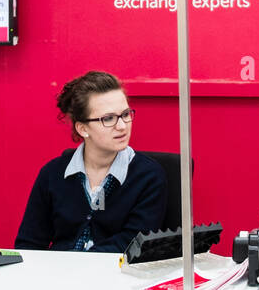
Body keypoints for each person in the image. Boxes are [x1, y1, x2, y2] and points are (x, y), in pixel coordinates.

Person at [15, 70, 167, 252]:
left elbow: (134, 243)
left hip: (119, 277)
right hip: (58, 276)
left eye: (125, 114)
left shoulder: (148, 176)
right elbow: (29, 244)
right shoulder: (52, 174)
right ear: (82, 128)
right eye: (108, 119)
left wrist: (80, 268)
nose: (122, 126)